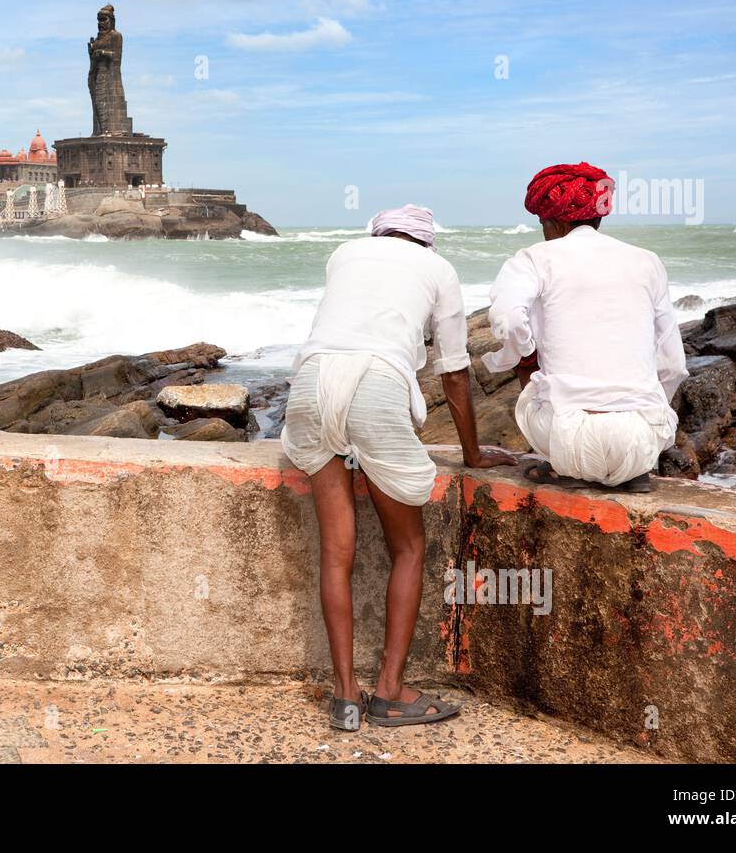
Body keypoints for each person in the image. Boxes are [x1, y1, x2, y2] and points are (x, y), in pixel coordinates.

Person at [281, 204, 516, 731]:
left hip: (311, 384)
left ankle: (345, 698)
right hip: (378, 387)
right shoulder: (439, 269)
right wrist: (473, 453)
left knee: (335, 551)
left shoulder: (345, 253)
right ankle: (389, 692)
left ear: (379, 233)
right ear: (426, 244)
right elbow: (453, 371)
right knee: (407, 548)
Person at [482, 163, 689, 493]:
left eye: (543, 224)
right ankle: (628, 472)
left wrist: (522, 356)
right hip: (641, 442)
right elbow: (673, 364)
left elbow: (507, 319)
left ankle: (562, 467)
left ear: (556, 221)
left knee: (527, 363)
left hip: (568, 440)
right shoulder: (647, 260)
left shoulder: (535, 258)